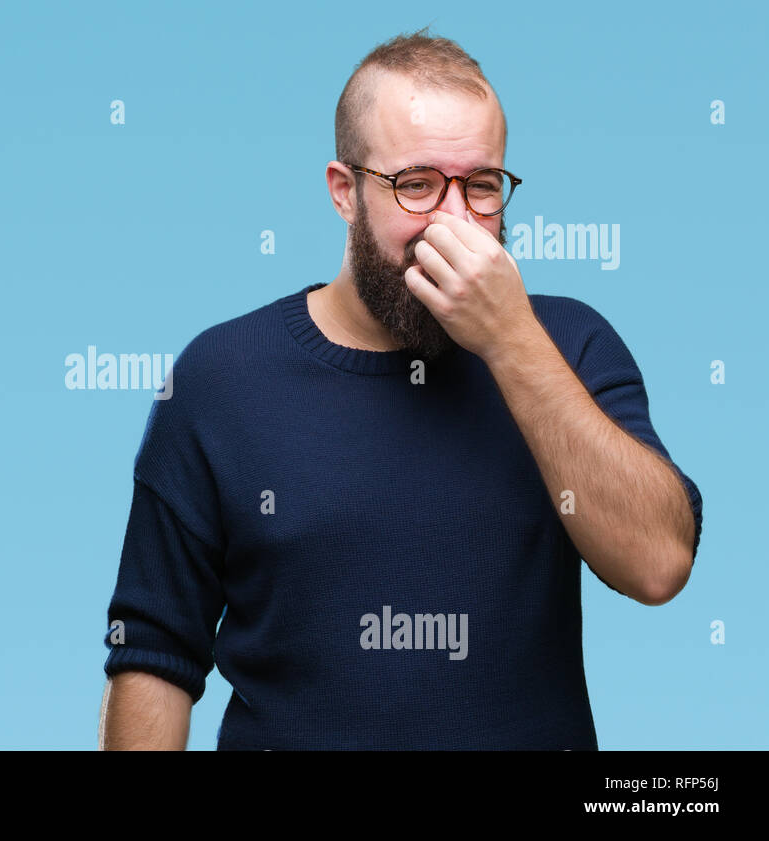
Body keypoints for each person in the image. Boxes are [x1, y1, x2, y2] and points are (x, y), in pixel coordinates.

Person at [98, 28, 703, 750]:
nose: (454, 220)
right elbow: (153, 657)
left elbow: (659, 564)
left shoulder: (569, 343)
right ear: (344, 192)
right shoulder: (221, 376)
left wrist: (512, 342)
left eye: (482, 187)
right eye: (416, 184)